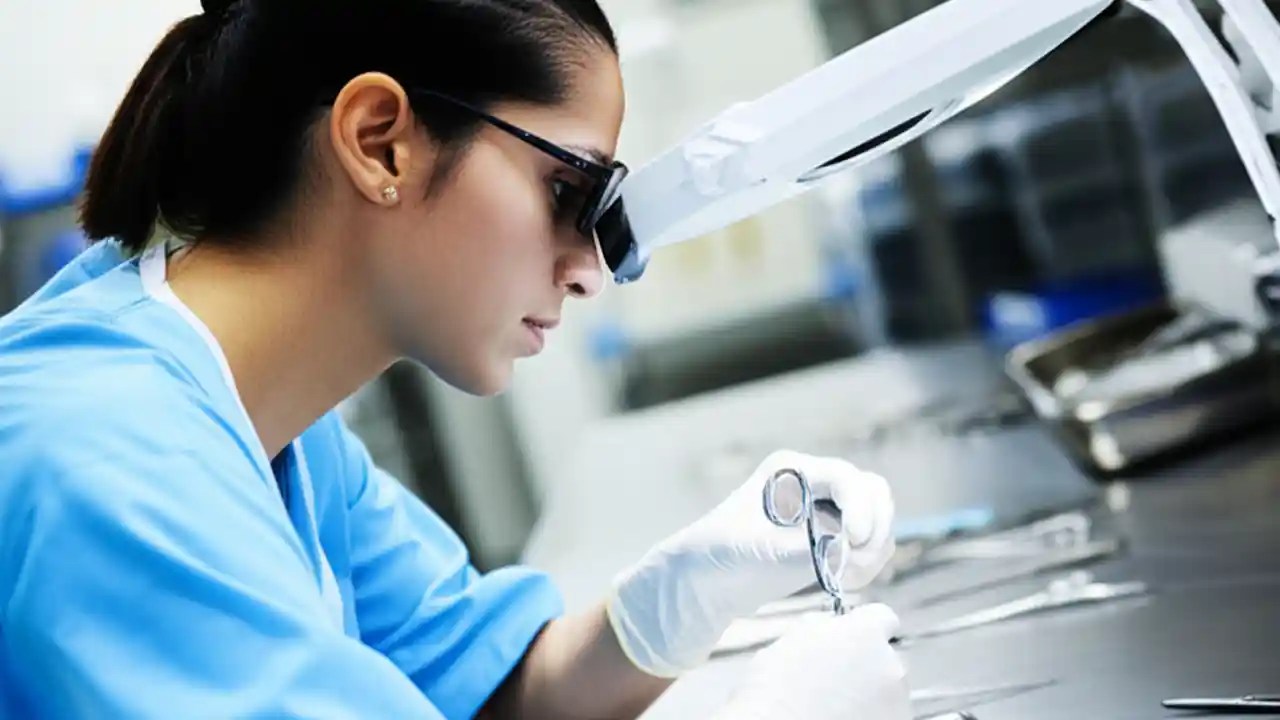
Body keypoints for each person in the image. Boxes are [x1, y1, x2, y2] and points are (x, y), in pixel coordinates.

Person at [0, 1, 908, 718]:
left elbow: (486, 693)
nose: (590, 271)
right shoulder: (105, 461)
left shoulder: (283, 431)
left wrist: (676, 605)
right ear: (378, 141)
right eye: (569, 192)